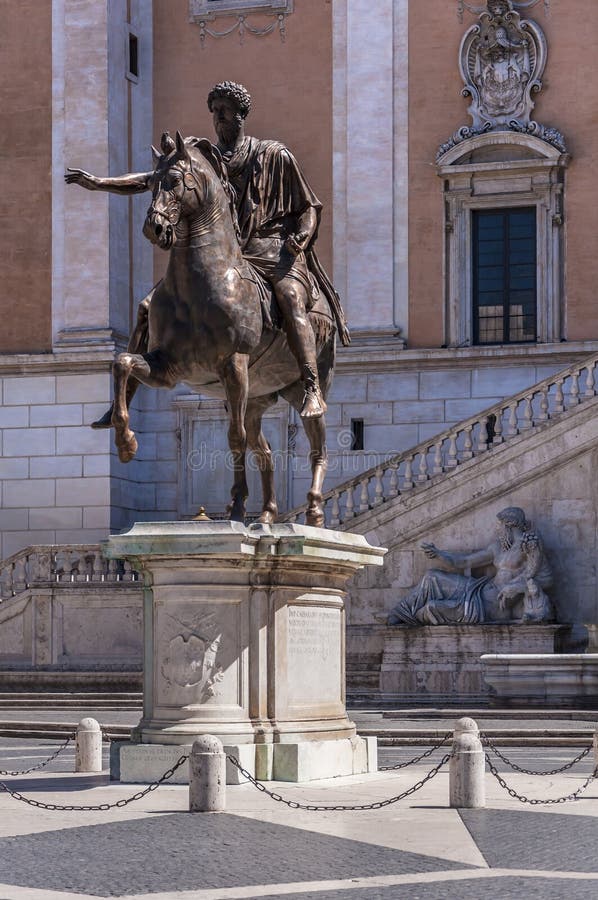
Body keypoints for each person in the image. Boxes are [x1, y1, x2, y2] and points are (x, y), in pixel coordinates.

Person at [66, 80, 349, 423]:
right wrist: (99, 183)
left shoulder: (274, 155)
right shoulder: (206, 162)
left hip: (272, 250)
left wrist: (301, 238)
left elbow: (308, 207)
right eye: (214, 112)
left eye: (225, 112)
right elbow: (154, 179)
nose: (218, 119)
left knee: (289, 295)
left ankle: (311, 386)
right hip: (228, 253)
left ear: (241, 115)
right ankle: (122, 401)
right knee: (147, 306)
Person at [386, 507, 554, 626]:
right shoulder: (498, 548)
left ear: (509, 524)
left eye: (499, 525)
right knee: (432, 576)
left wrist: (517, 587)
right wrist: (439, 554)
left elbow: (547, 580)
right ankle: (400, 612)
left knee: (432, 607)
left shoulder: (529, 546)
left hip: (490, 605)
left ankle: (410, 617)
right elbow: (465, 562)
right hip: (479, 589)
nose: (497, 529)